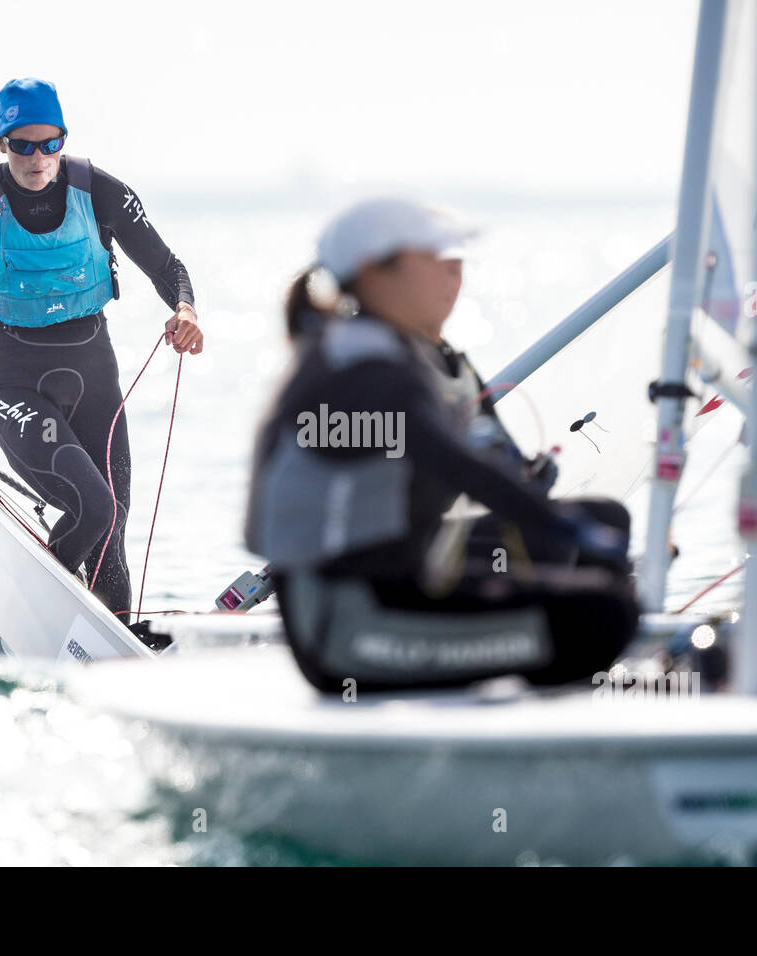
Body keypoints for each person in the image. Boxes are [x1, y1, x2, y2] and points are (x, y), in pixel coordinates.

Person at [245, 198, 639, 693]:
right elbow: (459, 465)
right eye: (436, 262)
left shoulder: (373, 349)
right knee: (603, 615)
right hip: (346, 635)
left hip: (390, 589)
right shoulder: (366, 369)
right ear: (376, 272)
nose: (452, 277)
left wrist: (569, 523)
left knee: (600, 586)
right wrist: (566, 528)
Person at [0, 78, 203, 634]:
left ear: (63, 140)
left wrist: (185, 309)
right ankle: (38, 616)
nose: (37, 157)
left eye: (49, 143)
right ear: (2, 144)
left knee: (111, 523)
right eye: (22, 144)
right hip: (12, 380)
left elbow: (168, 267)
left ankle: (112, 643)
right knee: (92, 507)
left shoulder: (102, 193)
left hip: (93, 371)